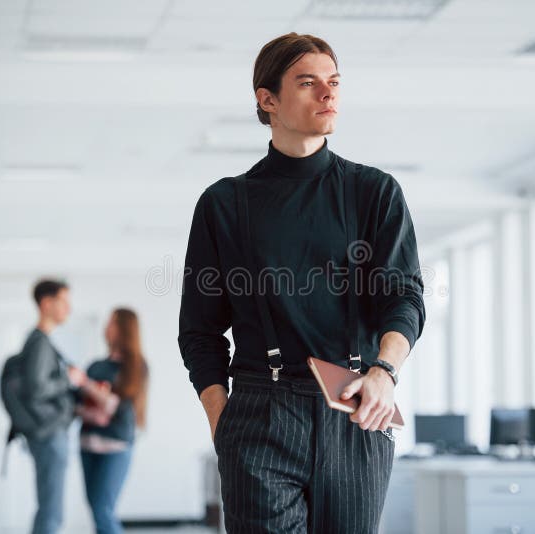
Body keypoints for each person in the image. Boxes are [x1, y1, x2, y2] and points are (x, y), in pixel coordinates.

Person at [178, 33, 426, 533]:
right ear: (267, 100)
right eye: (308, 83)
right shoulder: (225, 204)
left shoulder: (373, 192)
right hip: (258, 414)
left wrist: (385, 371)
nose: (327, 95)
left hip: (357, 410)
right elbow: (199, 331)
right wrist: (221, 421)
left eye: (333, 82)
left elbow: (404, 296)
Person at [77, 308, 149, 534]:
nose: (106, 328)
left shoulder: (137, 367)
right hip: (88, 444)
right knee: (96, 511)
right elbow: (77, 404)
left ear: (125, 329)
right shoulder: (96, 366)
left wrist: (85, 384)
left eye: (112, 323)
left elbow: (118, 405)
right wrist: (92, 411)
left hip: (115, 446)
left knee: (103, 510)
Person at [23, 279, 86, 534]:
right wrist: (69, 379)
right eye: (64, 302)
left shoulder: (41, 341)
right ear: (47, 303)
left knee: (49, 508)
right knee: (51, 511)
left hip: (48, 434)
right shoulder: (39, 342)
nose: (68, 309)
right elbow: (37, 388)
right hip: (49, 435)